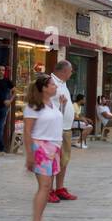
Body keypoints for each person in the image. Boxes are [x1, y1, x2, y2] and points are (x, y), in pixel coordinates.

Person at [22, 73, 61, 221]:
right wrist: (29, 155)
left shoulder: (53, 104)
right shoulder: (33, 106)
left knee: (47, 187)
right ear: (44, 88)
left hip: (54, 147)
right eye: (52, 84)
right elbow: (27, 131)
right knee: (44, 186)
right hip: (41, 148)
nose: (55, 87)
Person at [49, 60, 78, 203]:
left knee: (64, 160)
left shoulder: (63, 83)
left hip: (66, 128)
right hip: (55, 128)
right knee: (53, 160)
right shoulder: (49, 82)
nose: (72, 73)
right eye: (70, 70)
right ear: (63, 71)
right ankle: (48, 190)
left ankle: (59, 188)